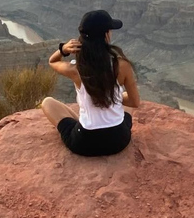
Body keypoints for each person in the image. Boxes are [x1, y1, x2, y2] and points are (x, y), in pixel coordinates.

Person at [41, 9, 140, 156]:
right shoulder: (122, 66)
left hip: (85, 143)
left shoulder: (75, 69)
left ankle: (84, 122)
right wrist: (115, 99)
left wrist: (63, 50)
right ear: (106, 35)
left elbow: (52, 61)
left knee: (47, 103)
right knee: (123, 96)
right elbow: (134, 102)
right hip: (118, 140)